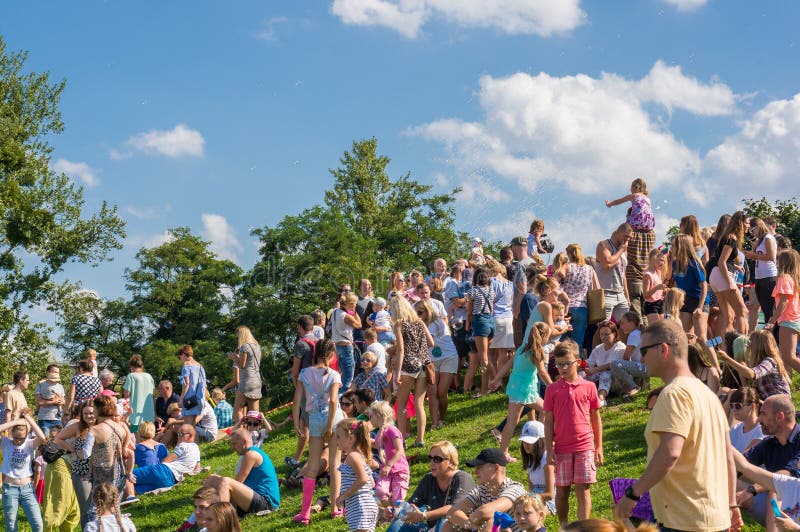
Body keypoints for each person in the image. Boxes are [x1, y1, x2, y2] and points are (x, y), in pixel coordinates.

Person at [614, 319, 739, 532]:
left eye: (644, 351)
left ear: (663, 349)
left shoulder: (673, 393)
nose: (641, 358)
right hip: (713, 518)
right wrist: (731, 504)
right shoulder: (707, 394)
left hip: (685, 520)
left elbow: (670, 452)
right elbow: (728, 456)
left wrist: (633, 494)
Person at [543, 340, 603, 527]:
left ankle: (583, 528)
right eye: (559, 364)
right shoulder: (552, 389)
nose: (562, 368)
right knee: (561, 491)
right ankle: (564, 526)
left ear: (578, 361)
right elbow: (549, 420)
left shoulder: (589, 387)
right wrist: (548, 449)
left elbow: (596, 417)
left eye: (567, 363)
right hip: (561, 448)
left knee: (583, 490)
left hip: (585, 445)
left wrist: (598, 446)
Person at [292, 338, 342, 524]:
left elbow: (297, 401)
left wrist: (297, 423)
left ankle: (305, 513)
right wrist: (330, 425)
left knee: (312, 467)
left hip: (314, 420)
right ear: (331, 355)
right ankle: (335, 508)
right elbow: (334, 401)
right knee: (335, 464)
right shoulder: (334, 375)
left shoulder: (304, 373)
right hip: (334, 420)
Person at [490, 322, 551, 460]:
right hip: (523, 390)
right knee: (514, 421)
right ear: (545, 336)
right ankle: (505, 452)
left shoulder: (522, 348)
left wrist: (496, 379)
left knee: (540, 411)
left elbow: (507, 365)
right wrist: (553, 386)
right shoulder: (537, 352)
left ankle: (536, 442)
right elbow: (542, 372)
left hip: (517, 387)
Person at [385, 440, 475, 532]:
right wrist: (395, 510)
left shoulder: (462, 478)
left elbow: (455, 508)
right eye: (430, 458)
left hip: (457, 526)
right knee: (399, 522)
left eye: (437, 459)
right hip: (430, 527)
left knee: (444, 521)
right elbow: (412, 505)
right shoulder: (429, 479)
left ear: (450, 462)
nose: (432, 462)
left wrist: (424, 516)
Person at [737, 394, 800, 525]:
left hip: (795, 510)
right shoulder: (769, 443)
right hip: (777, 510)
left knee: (775, 491)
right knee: (731, 482)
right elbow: (740, 464)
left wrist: (752, 489)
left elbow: (786, 476)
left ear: (780, 416)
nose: (758, 419)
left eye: (763, 414)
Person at [605, 178, 656, 320]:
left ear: (635, 187)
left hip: (635, 226)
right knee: (644, 312)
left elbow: (620, 200)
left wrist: (610, 204)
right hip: (647, 227)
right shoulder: (647, 199)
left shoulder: (634, 196)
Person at [441, 448, 526, 532]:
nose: (475, 472)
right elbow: (451, 513)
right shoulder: (481, 490)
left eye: (480, 467)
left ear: (496, 468)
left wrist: (469, 521)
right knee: (448, 525)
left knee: (491, 522)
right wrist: (475, 527)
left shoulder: (515, 488)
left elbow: (484, 512)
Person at [203, 428, 279, 519]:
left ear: (244, 441)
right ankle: (202, 518)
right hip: (252, 499)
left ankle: (223, 521)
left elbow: (238, 482)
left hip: (266, 503)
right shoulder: (250, 453)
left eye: (234, 443)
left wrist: (221, 482)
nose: (232, 447)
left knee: (225, 481)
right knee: (211, 480)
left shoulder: (251, 454)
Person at [390, 295, 434, 447]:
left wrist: (397, 372)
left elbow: (401, 349)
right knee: (419, 404)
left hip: (408, 366)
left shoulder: (399, 324)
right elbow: (431, 343)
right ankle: (420, 439)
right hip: (423, 365)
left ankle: (401, 441)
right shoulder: (420, 322)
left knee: (401, 405)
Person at [0, 409, 46, 532]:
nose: (18, 441)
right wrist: (16, 421)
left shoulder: (30, 444)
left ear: (27, 434)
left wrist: (28, 420)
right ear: (11, 432)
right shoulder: (6, 443)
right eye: (16, 438)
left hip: (27, 489)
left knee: (38, 525)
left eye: (22, 438)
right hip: (10, 489)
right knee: (11, 525)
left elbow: (42, 437)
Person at [85, 395, 135, 506]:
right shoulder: (120, 427)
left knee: (97, 510)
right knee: (114, 508)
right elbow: (128, 443)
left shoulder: (94, 429)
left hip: (101, 475)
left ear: (98, 409)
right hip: (120, 473)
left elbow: (85, 453)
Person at [416, 299, 458, 429]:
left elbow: (427, 342)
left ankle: (442, 418)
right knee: (432, 391)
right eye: (416, 313)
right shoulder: (423, 323)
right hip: (432, 360)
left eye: (420, 312)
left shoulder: (436, 322)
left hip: (448, 357)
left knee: (441, 392)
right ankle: (434, 423)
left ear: (428, 311)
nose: (417, 315)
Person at [54, 402, 96, 528]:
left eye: (91, 413)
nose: (89, 416)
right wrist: (72, 449)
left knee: (100, 508)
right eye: (86, 413)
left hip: (100, 471)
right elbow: (58, 438)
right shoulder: (77, 426)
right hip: (81, 472)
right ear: (81, 415)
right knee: (86, 509)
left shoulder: (100, 426)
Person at [716, 329, 790, 400]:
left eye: (750, 342)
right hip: (766, 402)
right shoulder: (756, 362)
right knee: (725, 391)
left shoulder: (770, 361)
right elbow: (747, 389)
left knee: (731, 394)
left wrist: (727, 359)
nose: (748, 346)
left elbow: (752, 374)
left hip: (778, 404)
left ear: (757, 345)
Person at [334, 419, 379, 532]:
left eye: (338, 437)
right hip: (365, 504)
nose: (336, 440)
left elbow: (363, 479)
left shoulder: (352, 456)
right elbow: (371, 482)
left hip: (359, 505)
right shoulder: (360, 455)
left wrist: (343, 496)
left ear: (350, 438)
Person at [708, 210, 749, 334]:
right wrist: (730, 282)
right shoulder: (732, 238)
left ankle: (722, 347)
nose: (748, 226)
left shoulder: (727, 237)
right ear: (740, 223)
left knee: (728, 317)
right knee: (742, 311)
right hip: (722, 277)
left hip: (715, 276)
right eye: (747, 223)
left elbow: (722, 260)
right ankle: (740, 347)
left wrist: (734, 266)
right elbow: (721, 262)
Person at [669, 234, 709, 344]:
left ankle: (716, 351)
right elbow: (678, 284)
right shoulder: (674, 263)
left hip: (699, 300)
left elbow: (704, 286)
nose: (670, 248)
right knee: (685, 336)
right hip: (685, 300)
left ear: (680, 247)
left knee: (702, 338)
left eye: (673, 246)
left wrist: (700, 307)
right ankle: (692, 359)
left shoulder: (693, 263)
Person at [563, 243, 601, 357]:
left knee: (563, 342)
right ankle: (577, 369)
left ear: (570, 254)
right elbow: (597, 288)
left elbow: (555, 281)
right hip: (581, 308)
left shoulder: (567, 266)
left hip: (565, 308)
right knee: (577, 343)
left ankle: (561, 369)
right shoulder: (589, 269)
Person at [369, 401, 410, 505]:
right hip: (386, 470)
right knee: (380, 491)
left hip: (399, 470)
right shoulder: (379, 432)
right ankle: (389, 513)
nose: (369, 420)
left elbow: (399, 450)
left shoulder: (392, 430)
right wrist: (364, 441)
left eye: (370, 417)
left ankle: (396, 514)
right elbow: (380, 446)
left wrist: (388, 465)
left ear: (378, 416)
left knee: (398, 498)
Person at [766, 249, 800, 375]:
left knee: (788, 356)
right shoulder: (794, 278)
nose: (776, 261)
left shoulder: (783, 278)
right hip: (795, 320)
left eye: (778, 258)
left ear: (783, 262)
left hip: (788, 320)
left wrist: (772, 320)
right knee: (785, 357)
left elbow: (784, 302)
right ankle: (788, 386)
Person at [464, 266, 496, 398]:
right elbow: (492, 307)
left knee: (483, 358)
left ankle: (484, 389)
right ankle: (492, 383)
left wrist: (467, 324)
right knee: (487, 356)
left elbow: (469, 311)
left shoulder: (473, 291)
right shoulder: (491, 291)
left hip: (479, 321)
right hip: (490, 321)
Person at [42, 426, 81, 532]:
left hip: (75, 470)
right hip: (62, 466)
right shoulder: (76, 424)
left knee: (74, 511)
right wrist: (74, 451)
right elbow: (57, 439)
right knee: (58, 507)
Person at [744, 218, 778, 330]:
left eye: (752, 230)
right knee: (765, 307)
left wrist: (754, 255)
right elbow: (759, 257)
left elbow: (771, 257)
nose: (751, 233)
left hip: (768, 276)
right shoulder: (760, 239)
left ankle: (773, 337)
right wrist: (752, 253)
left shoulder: (768, 238)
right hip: (760, 277)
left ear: (759, 227)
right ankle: (770, 337)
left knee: (769, 310)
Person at [595, 223, 632, 322]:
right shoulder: (603, 245)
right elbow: (607, 265)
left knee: (627, 325)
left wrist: (627, 297)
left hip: (620, 294)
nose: (627, 240)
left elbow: (623, 274)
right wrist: (620, 251)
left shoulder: (624, 248)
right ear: (617, 233)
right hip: (605, 293)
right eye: (625, 236)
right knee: (603, 327)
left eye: (629, 238)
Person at [584, 321, 626, 406]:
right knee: (581, 375)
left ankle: (601, 399)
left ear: (614, 334)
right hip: (600, 376)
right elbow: (589, 363)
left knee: (605, 373)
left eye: (607, 334)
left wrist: (596, 369)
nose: (603, 337)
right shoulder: (599, 348)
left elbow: (614, 365)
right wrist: (579, 364)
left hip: (617, 379)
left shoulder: (620, 347)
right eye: (601, 334)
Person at [227, 325, 263, 419]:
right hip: (257, 380)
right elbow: (249, 362)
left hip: (247, 380)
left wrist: (233, 357)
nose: (237, 338)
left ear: (242, 335)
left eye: (238, 336)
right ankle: (255, 432)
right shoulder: (257, 346)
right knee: (254, 413)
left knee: (237, 411)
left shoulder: (244, 347)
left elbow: (242, 365)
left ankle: (240, 431)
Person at [331, 292, 363, 394]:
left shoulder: (335, 311)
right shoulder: (346, 316)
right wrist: (354, 312)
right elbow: (359, 325)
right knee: (347, 381)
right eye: (354, 304)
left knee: (339, 377)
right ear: (348, 303)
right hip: (346, 348)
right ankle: (342, 402)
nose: (355, 306)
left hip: (336, 347)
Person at [610, 312, 645, 397]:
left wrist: (624, 370)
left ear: (631, 323)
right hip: (647, 366)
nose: (621, 327)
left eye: (622, 323)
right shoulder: (639, 333)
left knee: (615, 364)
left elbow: (626, 357)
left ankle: (633, 386)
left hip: (644, 368)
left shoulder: (633, 335)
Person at [511, 236, 538, 346]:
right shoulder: (533, 262)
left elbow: (522, 289)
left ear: (515, 247)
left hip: (524, 304)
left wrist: (516, 308)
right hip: (535, 301)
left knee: (521, 339)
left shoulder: (521, 264)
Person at [123, 354, 155, 434]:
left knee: (136, 439)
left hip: (135, 413)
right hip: (149, 413)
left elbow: (126, 394)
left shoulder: (131, 376)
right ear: (142, 366)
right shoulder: (149, 376)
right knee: (148, 436)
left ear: (131, 367)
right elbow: (153, 395)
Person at [178, 345, 207, 427]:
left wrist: (181, 399)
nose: (180, 359)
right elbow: (204, 384)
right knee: (193, 426)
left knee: (187, 426)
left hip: (189, 400)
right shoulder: (200, 366)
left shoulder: (186, 365)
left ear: (183, 354)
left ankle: (188, 440)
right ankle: (195, 440)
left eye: (179, 356)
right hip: (198, 399)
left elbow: (186, 384)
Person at [727, 388, 763, 453]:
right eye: (731, 406)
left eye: (738, 406)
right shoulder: (734, 430)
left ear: (752, 406)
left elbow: (746, 457)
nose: (734, 410)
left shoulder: (762, 431)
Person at [35, 364, 65, 436]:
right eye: (54, 372)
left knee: (56, 442)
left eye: (57, 372)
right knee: (45, 442)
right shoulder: (41, 385)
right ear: (47, 372)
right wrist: (54, 401)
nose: (56, 374)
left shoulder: (60, 386)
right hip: (44, 419)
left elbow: (64, 401)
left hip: (57, 419)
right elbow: (40, 402)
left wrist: (60, 401)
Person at [642, 248, 667, 323]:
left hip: (660, 303)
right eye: (661, 260)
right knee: (655, 328)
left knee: (661, 327)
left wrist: (664, 291)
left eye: (664, 261)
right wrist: (657, 288)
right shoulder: (647, 275)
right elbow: (645, 295)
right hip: (651, 304)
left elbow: (659, 291)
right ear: (654, 258)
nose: (662, 263)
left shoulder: (658, 272)